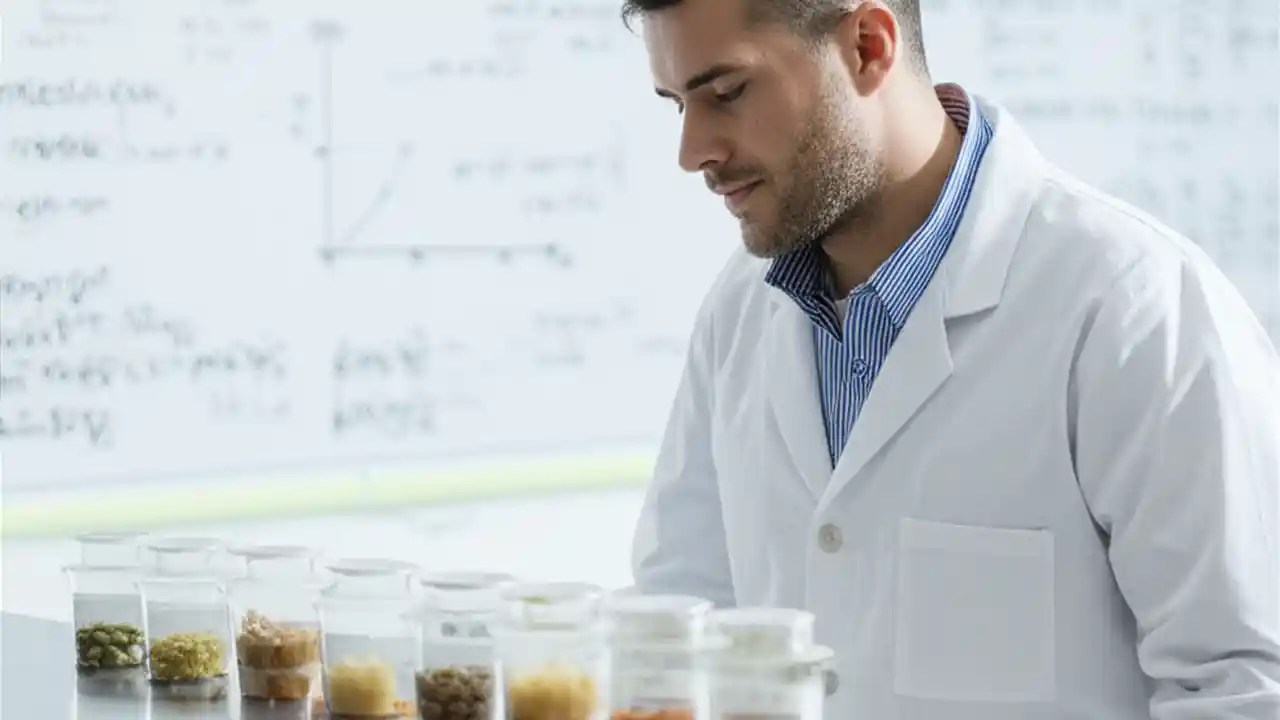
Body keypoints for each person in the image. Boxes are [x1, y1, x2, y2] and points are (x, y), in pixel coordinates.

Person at [621, 0, 1280, 718]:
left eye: (727, 93)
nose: (693, 151)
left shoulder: (1135, 307)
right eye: (677, 105)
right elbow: (678, 624)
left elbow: (1244, 686)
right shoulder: (740, 311)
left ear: (868, 47)